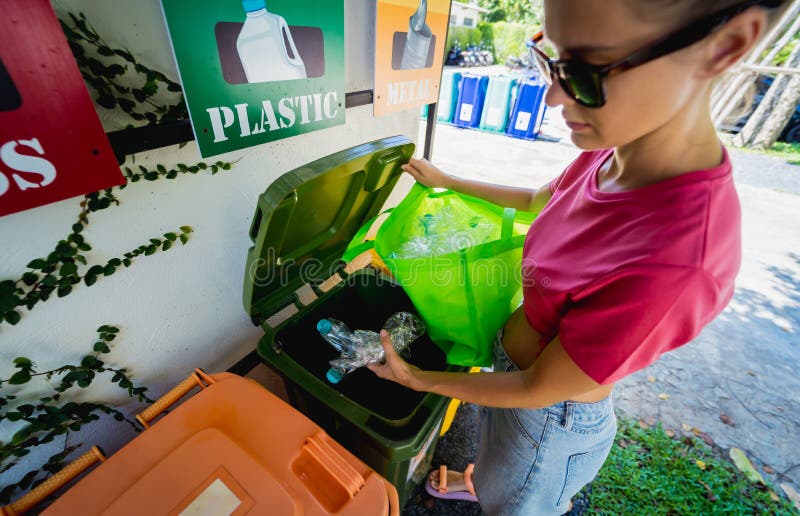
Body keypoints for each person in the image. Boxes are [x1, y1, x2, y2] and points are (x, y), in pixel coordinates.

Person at [367, 0, 788, 514]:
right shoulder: (615, 144)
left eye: (586, 72)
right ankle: (483, 479)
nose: (552, 96)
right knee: (495, 461)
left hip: (545, 425)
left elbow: (536, 387)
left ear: (724, 47)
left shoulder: (678, 261)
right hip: (515, 385)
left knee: (516, 499)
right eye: (553, 61)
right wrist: (447, 179)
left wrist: (416, 379)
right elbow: (535, 200)